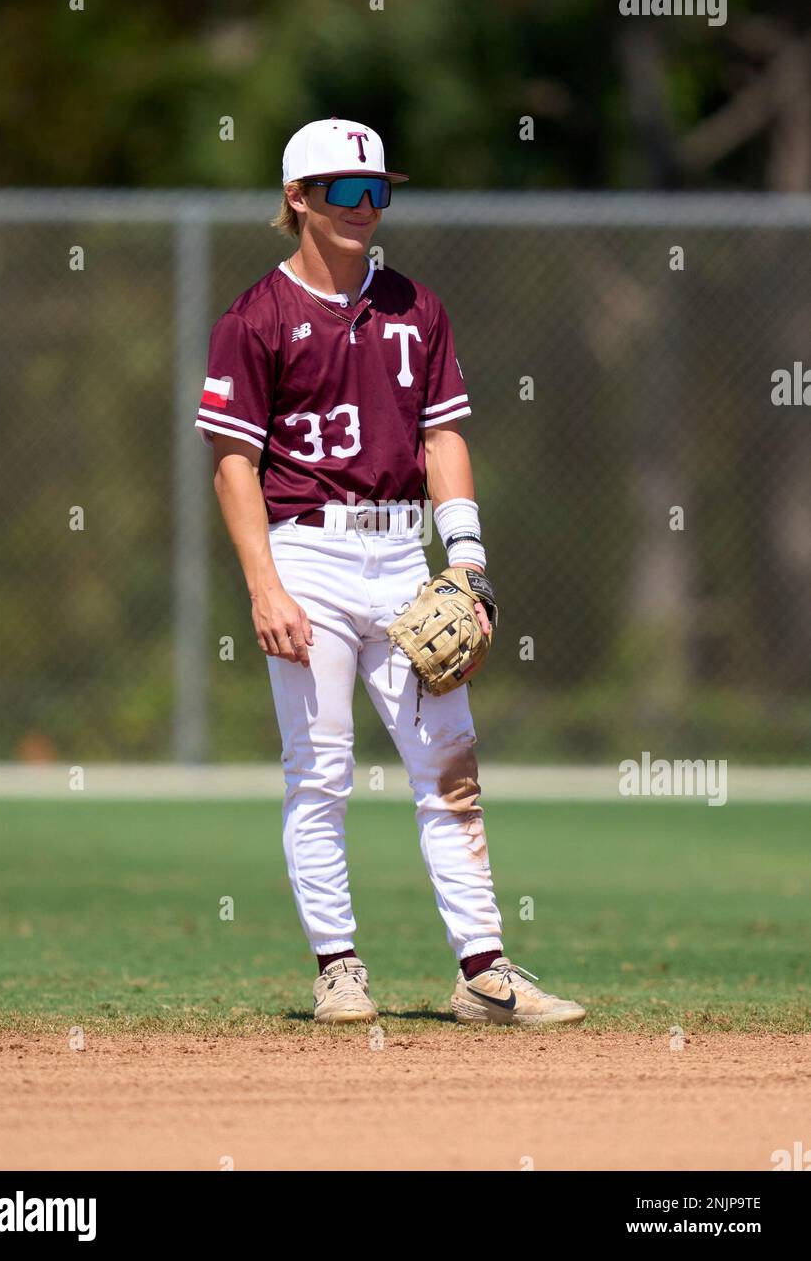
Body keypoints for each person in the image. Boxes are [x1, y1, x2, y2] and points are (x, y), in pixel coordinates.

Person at [196, 117, 585, 1028]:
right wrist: (263, 586)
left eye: (377, 192)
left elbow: (442, 435)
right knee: (320, 772)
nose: (367, 208)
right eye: (346, 192)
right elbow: (232, 463)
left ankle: (484, 974)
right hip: (307, 551)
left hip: (402, 553)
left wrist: (470, 563)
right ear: (298, 200)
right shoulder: (255, 319)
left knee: (449, 765)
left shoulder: (417, 306)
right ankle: (339, 970)